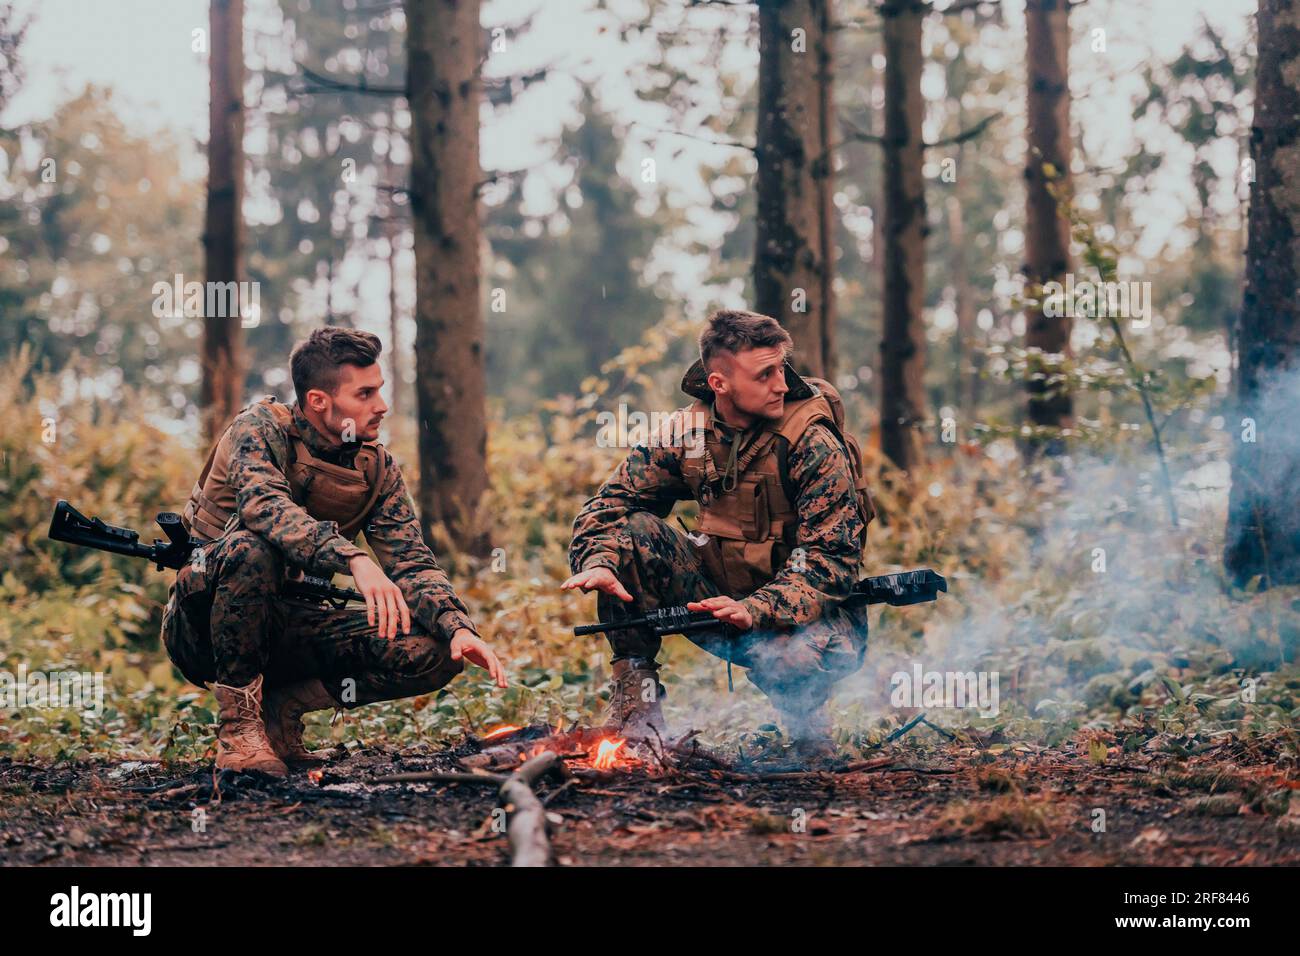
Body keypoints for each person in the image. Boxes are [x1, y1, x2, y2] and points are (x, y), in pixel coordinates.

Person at [162, 326, 506, 776]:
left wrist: (456, 625)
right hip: (205, 624)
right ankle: (239, 730)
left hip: (292, 623)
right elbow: (264, 508)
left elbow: (412, 562)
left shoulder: (376, 468)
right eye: (364, 394)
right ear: (319, 400)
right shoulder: (258, 429)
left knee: (437, 650)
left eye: (379, 390)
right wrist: (354, 559)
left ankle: (280, 710)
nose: (381, 406)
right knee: (251, 550)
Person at [564, 310, 874, 757]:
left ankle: (810, 730)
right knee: (629, 533)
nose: (782, 385)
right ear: (719, 384)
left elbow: (831, 564)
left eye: (782, 369)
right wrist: (599, 561)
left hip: (805, 618)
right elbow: (609, 505)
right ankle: (636, 708)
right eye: (764, 374)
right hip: (715, 604)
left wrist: (757, 609)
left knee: (795, 658)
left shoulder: (812, 442)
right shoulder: (689, 433)